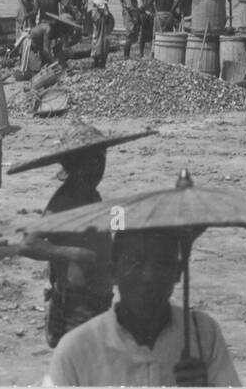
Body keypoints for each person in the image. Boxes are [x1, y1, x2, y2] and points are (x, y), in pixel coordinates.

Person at [14, 123, 155, 347]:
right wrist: (72, 253)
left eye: (102, 159)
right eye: (92, 160)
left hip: (100, 299)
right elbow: (28, 244)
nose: (99, 167)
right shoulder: (64, 200)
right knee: (81, 363)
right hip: (76, 305)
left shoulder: (91, 195)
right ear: (75, 164)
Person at [48, 229, 242, 387]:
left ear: (178, 272)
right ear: (113, 273)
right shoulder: (76, 350)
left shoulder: (203, 335)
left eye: (161, 264)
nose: (149, 277)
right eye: (135, 263)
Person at [88, 0, 112, 67]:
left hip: (97, 9)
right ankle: (98, 58)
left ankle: (97, 57)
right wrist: (105, 12)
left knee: (97, 34)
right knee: (100, 36)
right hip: (99, 10)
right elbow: (98, 0)